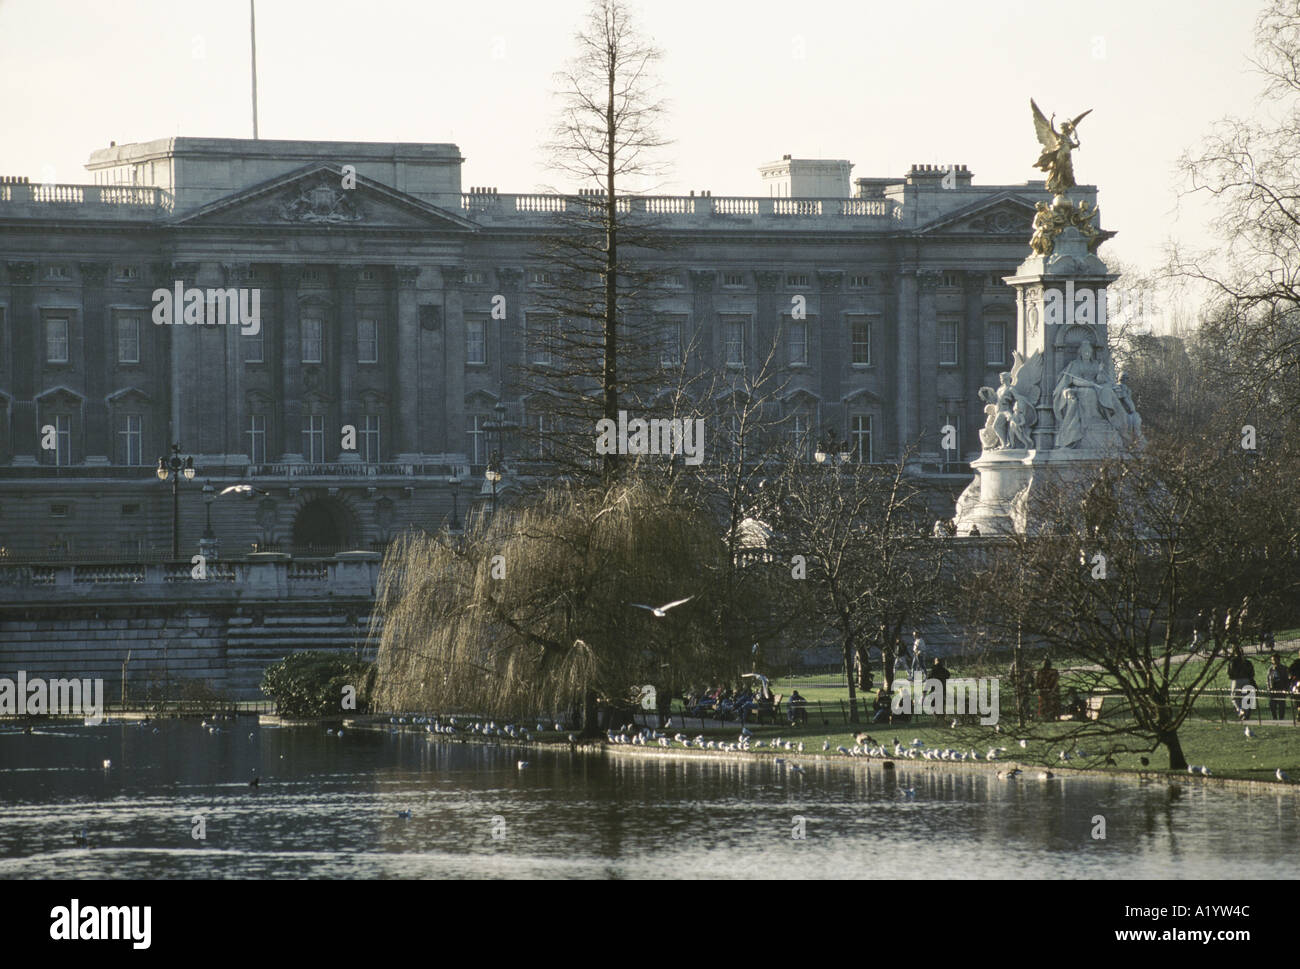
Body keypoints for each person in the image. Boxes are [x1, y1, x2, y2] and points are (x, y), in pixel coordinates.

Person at [1227, 647, 1255, 720]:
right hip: (1246, 679)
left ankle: (1240, 710)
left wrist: (1232, 676)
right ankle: (1245, 712)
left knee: (1235, 697)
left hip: (1236, 680)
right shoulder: (1247, 662)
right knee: (1245, 697)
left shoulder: (1233, 661)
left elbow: (1230, 671)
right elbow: (1252, 672)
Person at [1265, 653, 1290, 721]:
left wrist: (1286, 688)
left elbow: (1287, 679)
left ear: (1278, 660)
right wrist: (1269, 688)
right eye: (1272, 660)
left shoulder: (1284, 668)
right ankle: (1274, 718)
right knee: (1272, 704)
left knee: (1281, 705)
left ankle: (1281, 718)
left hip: (1281, 689)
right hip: (1273, 689)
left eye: (1275, 660)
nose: (1274, 661)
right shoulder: (1270, 669)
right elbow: (1267, 679)